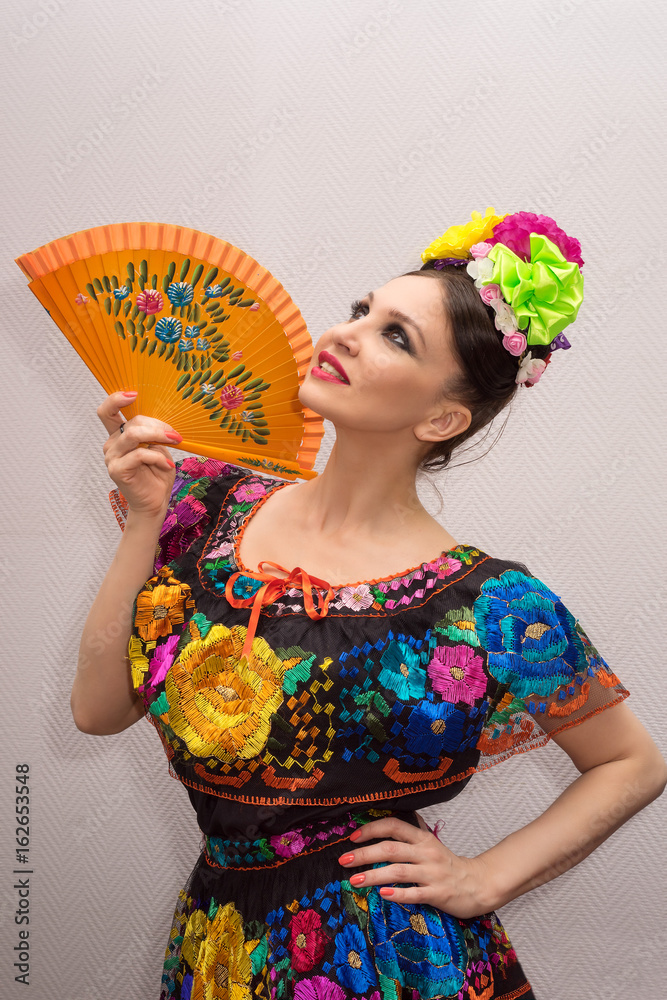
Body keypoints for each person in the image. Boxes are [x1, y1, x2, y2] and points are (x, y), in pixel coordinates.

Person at [71, 208, 666, 1000]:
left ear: (440, 417)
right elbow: (97, 709)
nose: (346, 333)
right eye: (362, 311)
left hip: (384, 958)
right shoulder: (205, 507)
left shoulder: (487, 603)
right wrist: (144, 520)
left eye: (395, 336)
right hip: (216, 941)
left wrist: (484, 878)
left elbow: (630, 763)